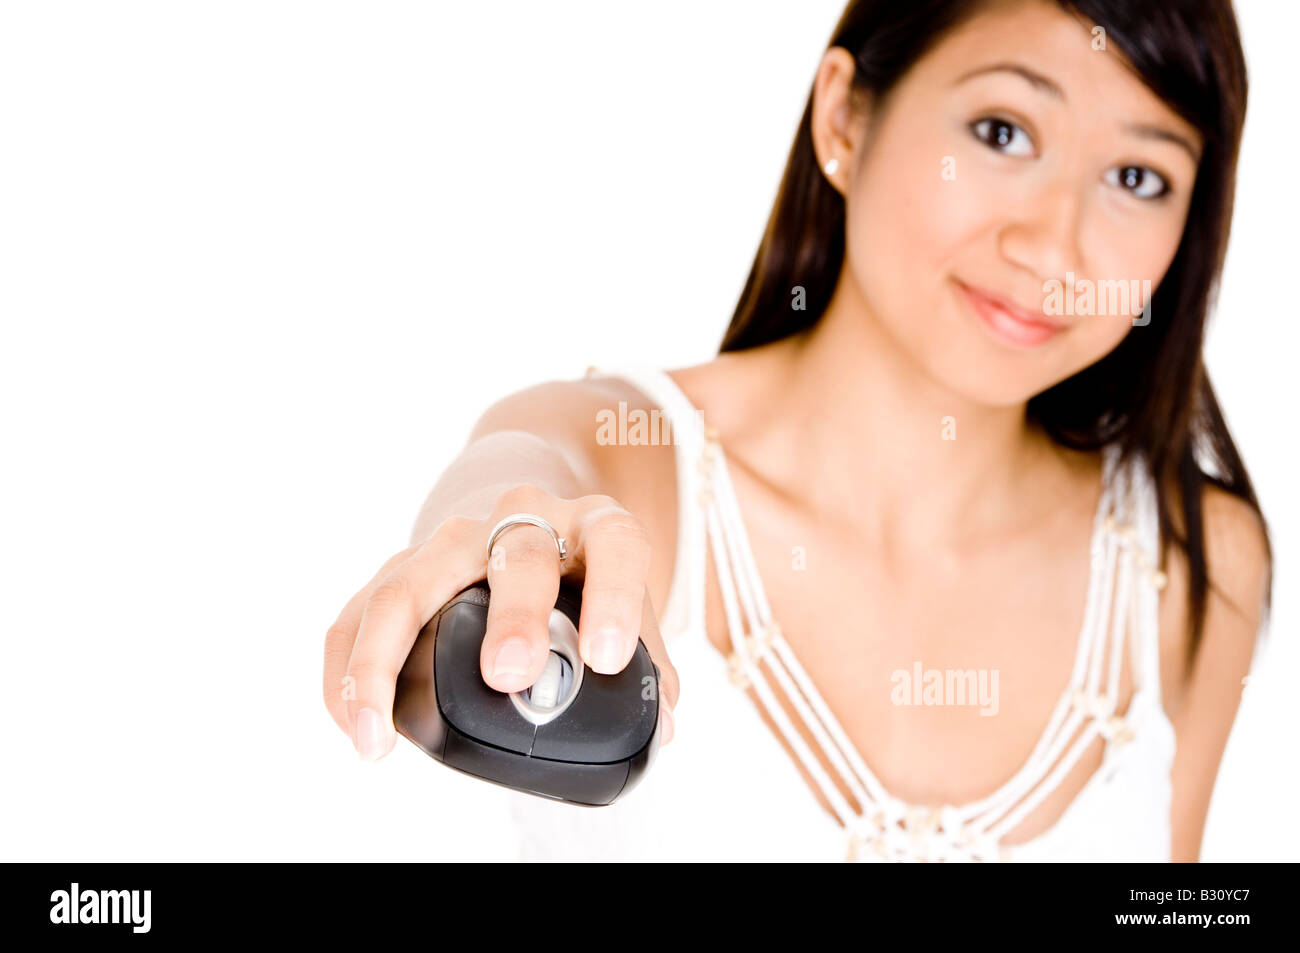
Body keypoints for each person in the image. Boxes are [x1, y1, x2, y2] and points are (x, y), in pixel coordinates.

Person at [322, 0, 1272, 861]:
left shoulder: (1197, 563)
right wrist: (505, 539)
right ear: (844, 119)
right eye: (1001, 131)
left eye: (1139, 177)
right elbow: (523, 473)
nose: (1055, 245)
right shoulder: (629, 454)